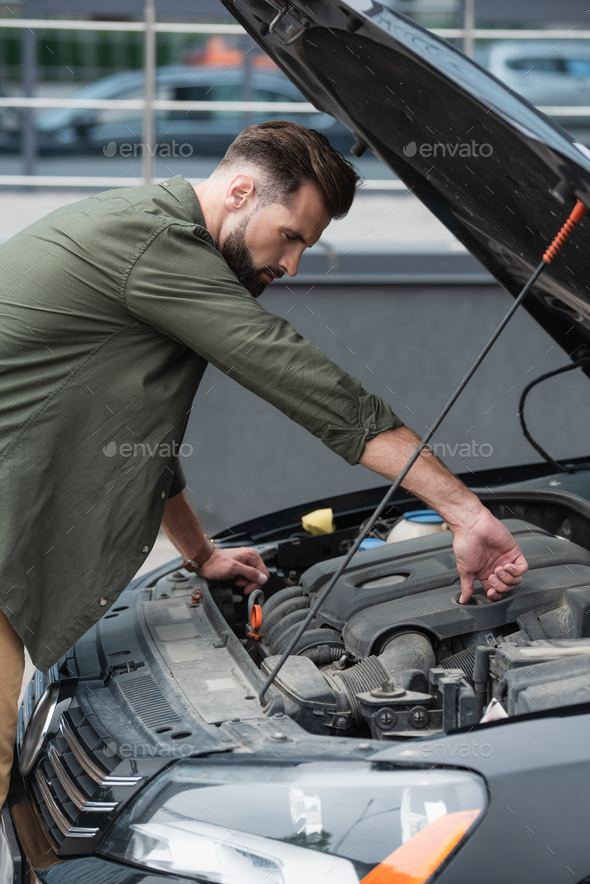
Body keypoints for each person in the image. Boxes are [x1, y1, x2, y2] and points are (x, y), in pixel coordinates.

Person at [0, 120, 527, 806]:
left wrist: (201, 555)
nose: (293, 267)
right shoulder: (155, 245)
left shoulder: (151, 237)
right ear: (241, 190)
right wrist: (464, 511)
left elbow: (137, 439)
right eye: (292, 237)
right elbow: (305, 382)